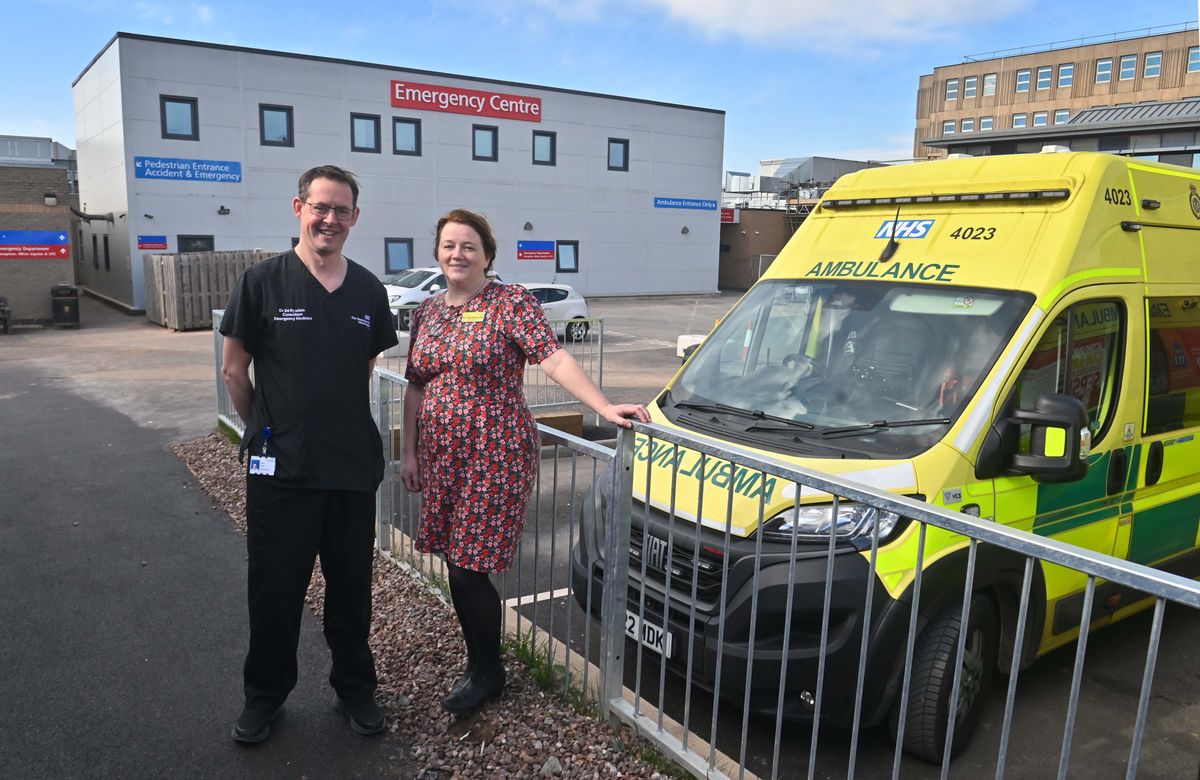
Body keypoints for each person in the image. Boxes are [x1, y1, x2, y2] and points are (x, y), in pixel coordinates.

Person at [399, 209, 649, 715]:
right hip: (441, 455)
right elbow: (415, 383)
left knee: (470, 568)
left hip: (494, 454)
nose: (457, 254)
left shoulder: (510, 303)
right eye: (448, 245)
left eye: (468, 246)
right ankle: (479, 661)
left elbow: (553, 358)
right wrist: (409, 451)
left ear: (488, 255)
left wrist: (601, 407)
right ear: (437, 254)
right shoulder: (428, 311)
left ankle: (488, 673)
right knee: (455, 561)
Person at [219, 165, 399, 744]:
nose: (330, 219)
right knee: (275, 590)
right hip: (282, 472)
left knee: (351, 589)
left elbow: (362, 368)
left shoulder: (369, 290)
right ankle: (264, 698)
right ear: (298, 208)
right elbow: (233, 368)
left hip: (349, 468)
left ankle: (355, 691)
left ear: (355, 218)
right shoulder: (261, 282)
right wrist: (268, 430)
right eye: (320, 207)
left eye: (342, 210)